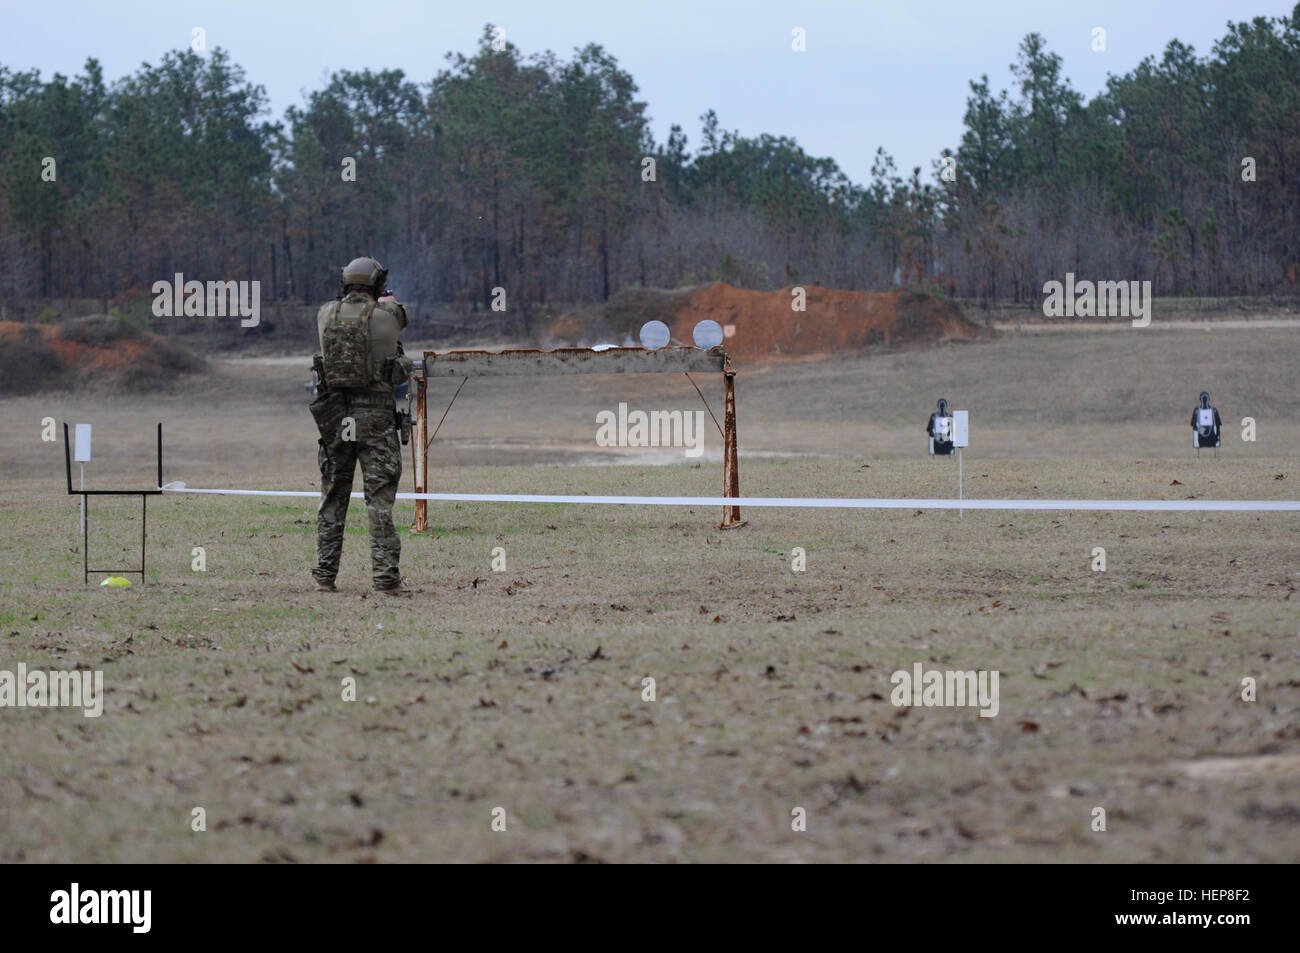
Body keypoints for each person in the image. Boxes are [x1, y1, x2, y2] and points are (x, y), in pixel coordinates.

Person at [309, 256, 414, 595]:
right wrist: (389, 303)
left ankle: (325, 576)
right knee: (379, 502)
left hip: (337, 417)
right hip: (375, 420)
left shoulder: (326, 313)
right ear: (378, 284)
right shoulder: (386, 316)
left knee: (333, 497)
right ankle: (385, 580)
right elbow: (401, 317)